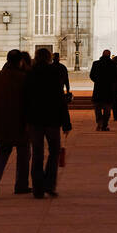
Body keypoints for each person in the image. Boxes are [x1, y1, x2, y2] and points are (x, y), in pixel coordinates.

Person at [24, 47, 69, 198]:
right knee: (54, 152)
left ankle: (37, 188)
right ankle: (49, 184)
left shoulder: (29, 74)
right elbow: (60, 98)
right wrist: (66, 122)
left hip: (35, 120)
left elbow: (24, 99)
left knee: (37, 153)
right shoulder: (54, 72)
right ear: (50, 58)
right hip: (52, 119)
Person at [0, 49, 31, 196]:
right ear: (20, 62)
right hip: (20, 124)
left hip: (1, 123)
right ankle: (21, 184)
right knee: (23, 154)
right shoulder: (24, 79)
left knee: (1, 153)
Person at [89, 49, 117, 131]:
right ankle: (105, 124)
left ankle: (99, 122)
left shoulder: (96, 63)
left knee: (97, 108)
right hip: (108, 90)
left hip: (98, 89)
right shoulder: (113, 64)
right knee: (107, 109)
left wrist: (97, 81)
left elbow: (91, 75)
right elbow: (116, 77)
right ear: (109, 55)